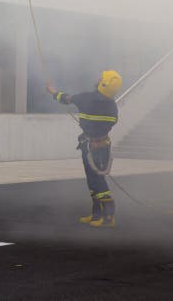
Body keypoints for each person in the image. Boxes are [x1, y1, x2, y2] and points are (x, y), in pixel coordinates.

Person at [47, 70, 123, 227]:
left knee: (97, 179)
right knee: (93, 179)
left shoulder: (86, 98)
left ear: (103, 83)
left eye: (101, 78)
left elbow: (66, 98)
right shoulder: (112, 106)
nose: (97, 79)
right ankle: (96, 215)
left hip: (90, 147)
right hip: (103, 145)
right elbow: (112, 122)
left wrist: (53, 91)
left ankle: (108, 217)